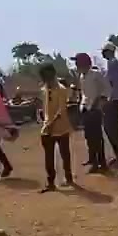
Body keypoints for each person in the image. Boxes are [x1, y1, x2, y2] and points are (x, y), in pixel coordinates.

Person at [37, 63, 76, 191]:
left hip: (61, 127)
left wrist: (50, 124)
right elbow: (44, 108)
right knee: (49, 157)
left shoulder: (61, 89)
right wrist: (45, 121)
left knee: (65, 154)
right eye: (44, 76)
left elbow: (61, 110)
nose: (47, 79)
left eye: (48, 76)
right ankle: (51, 182)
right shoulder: (44, 90)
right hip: (47, 127)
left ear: (53, 74)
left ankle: (69, 178)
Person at [73, 53, 111, 172]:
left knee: (96, 137)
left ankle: (101, 162)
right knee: (89, 136)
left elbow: (106, 90)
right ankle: (92, 159)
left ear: (85, 63)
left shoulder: (96, 75)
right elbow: (84, 93)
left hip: (95, 109)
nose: (76, 65)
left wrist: (99, 102)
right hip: (85, 108)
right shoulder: (81, 77)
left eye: (78, 62)